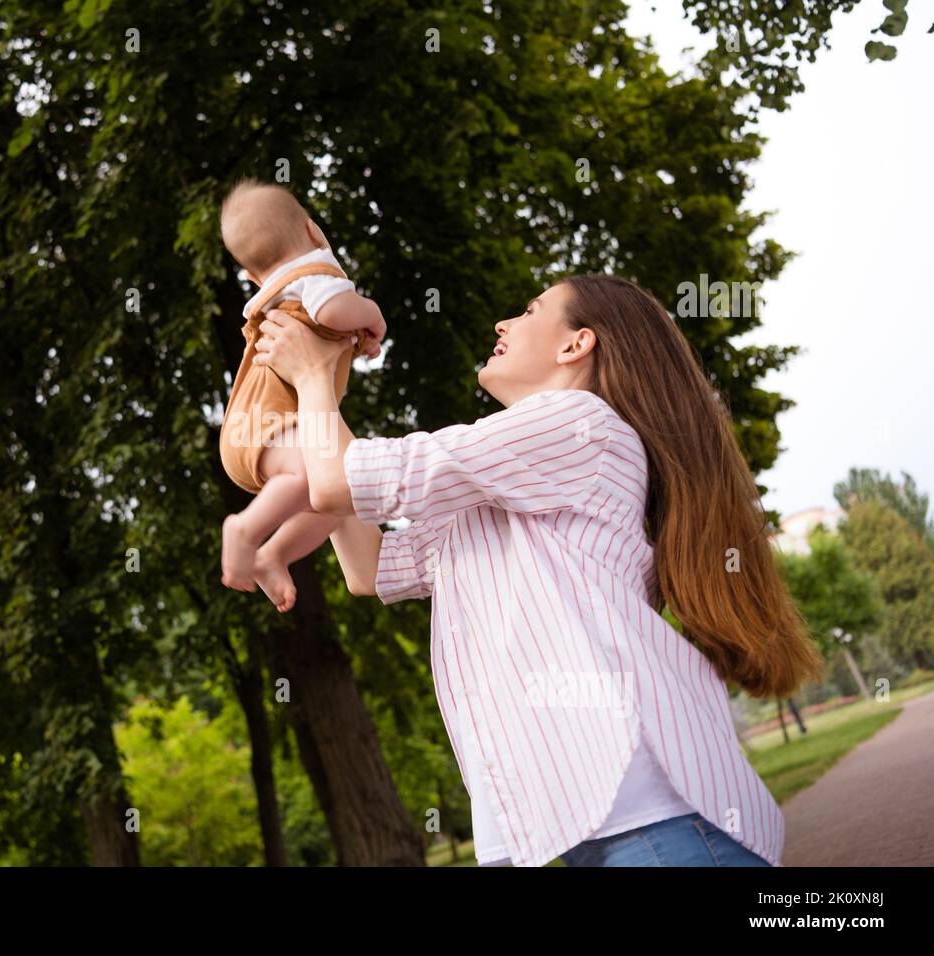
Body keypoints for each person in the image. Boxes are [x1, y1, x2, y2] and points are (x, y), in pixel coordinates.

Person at [248, 273, 824, 867]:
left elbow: (345, 481)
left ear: (576, 345)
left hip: (651, 823)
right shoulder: (501, 485)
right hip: (616, 826)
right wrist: (322, 393)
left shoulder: (577, 422)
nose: (503, 323)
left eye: (528, 311)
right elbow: (370, 566)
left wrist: (313, 376)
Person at [217, 179, 385, 612]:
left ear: (253, 278)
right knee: (314, 478)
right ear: (314, 232)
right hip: (269, 426)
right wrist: (371, 313)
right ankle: (245, 530)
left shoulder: (279, 292)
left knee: (338, 493)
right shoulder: (316, 271)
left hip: (252, 431)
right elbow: (333, 309)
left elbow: (328, 321)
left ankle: (273, 554)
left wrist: (354, 337)